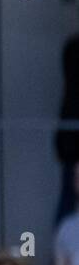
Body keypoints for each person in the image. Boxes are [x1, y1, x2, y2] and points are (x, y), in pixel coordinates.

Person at [54, 31, 79, 224]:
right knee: (68, 198)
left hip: (70, 140)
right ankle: (62, 250)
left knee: (67, 198)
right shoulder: (73, 49)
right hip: (72, 142)